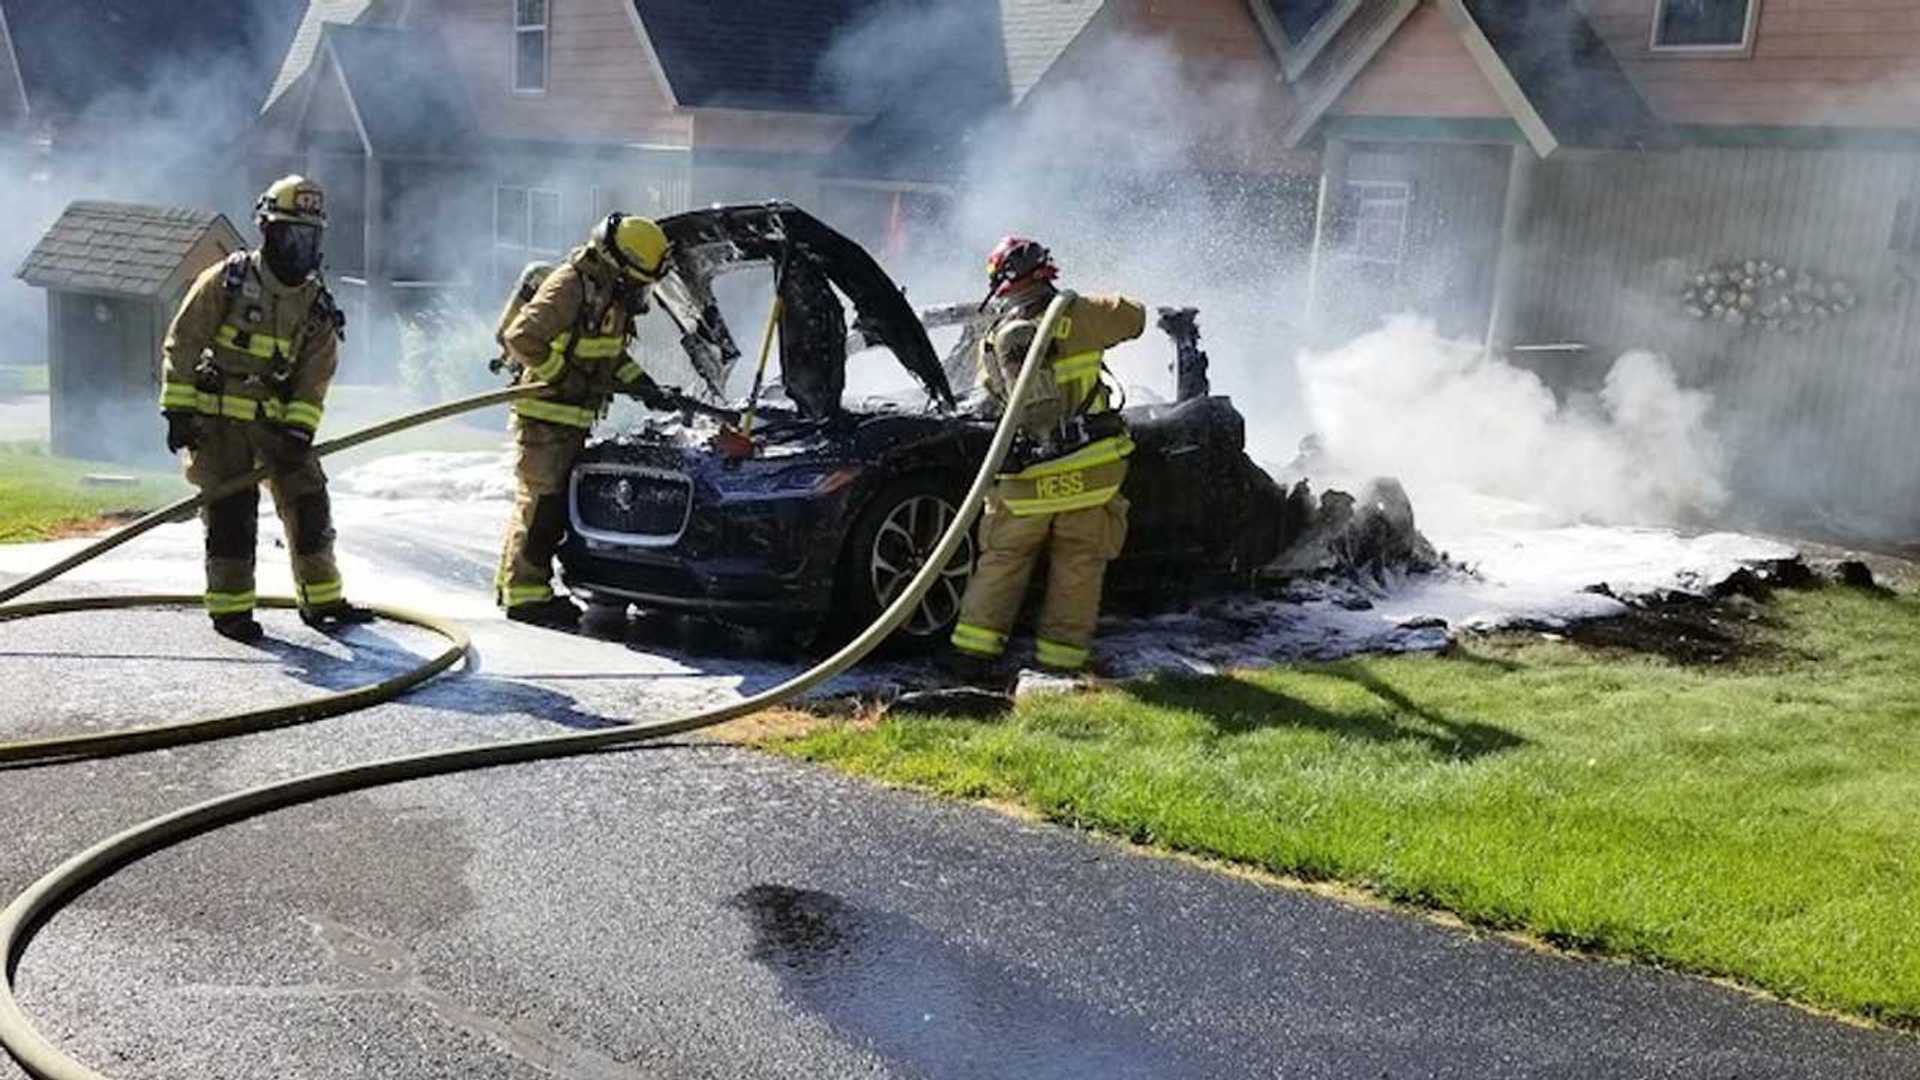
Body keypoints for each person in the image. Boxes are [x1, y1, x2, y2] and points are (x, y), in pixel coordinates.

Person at [158, 175, 371, 643]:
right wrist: (178, 410)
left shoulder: (316, 306)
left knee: (310, 505)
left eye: (310, 238)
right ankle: (231, 612)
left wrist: (299, 432)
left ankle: (322, 601)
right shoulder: (228, 281)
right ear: (268, 231)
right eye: (292, 235)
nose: (301, 248)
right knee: (232, 517)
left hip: (277, 428)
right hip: (219, 426)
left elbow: (315, 378)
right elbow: (183, 343)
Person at [948, 237, 1145, 677]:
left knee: (1002, 562)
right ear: (1046, 271)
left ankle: (972, 654)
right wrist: (1092, 301)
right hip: (1090, 475)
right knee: (1078, 566)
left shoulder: (993, 338)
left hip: (1026, 482)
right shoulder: (1083, 315)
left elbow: (988, 400)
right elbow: (1136, 317)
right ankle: (1060, 661)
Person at [493, 213, 677, 628]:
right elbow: (521, 337)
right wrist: (563, 376)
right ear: (618, 265)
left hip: (571, 418)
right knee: (542, 508)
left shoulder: (608, 293)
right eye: (637, 280)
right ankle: (527, 598)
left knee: (544, 506)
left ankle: (516, 587)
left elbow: (607, 354)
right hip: (545, 416)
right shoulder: (570, 285)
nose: (640, 290)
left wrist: (644, 386)